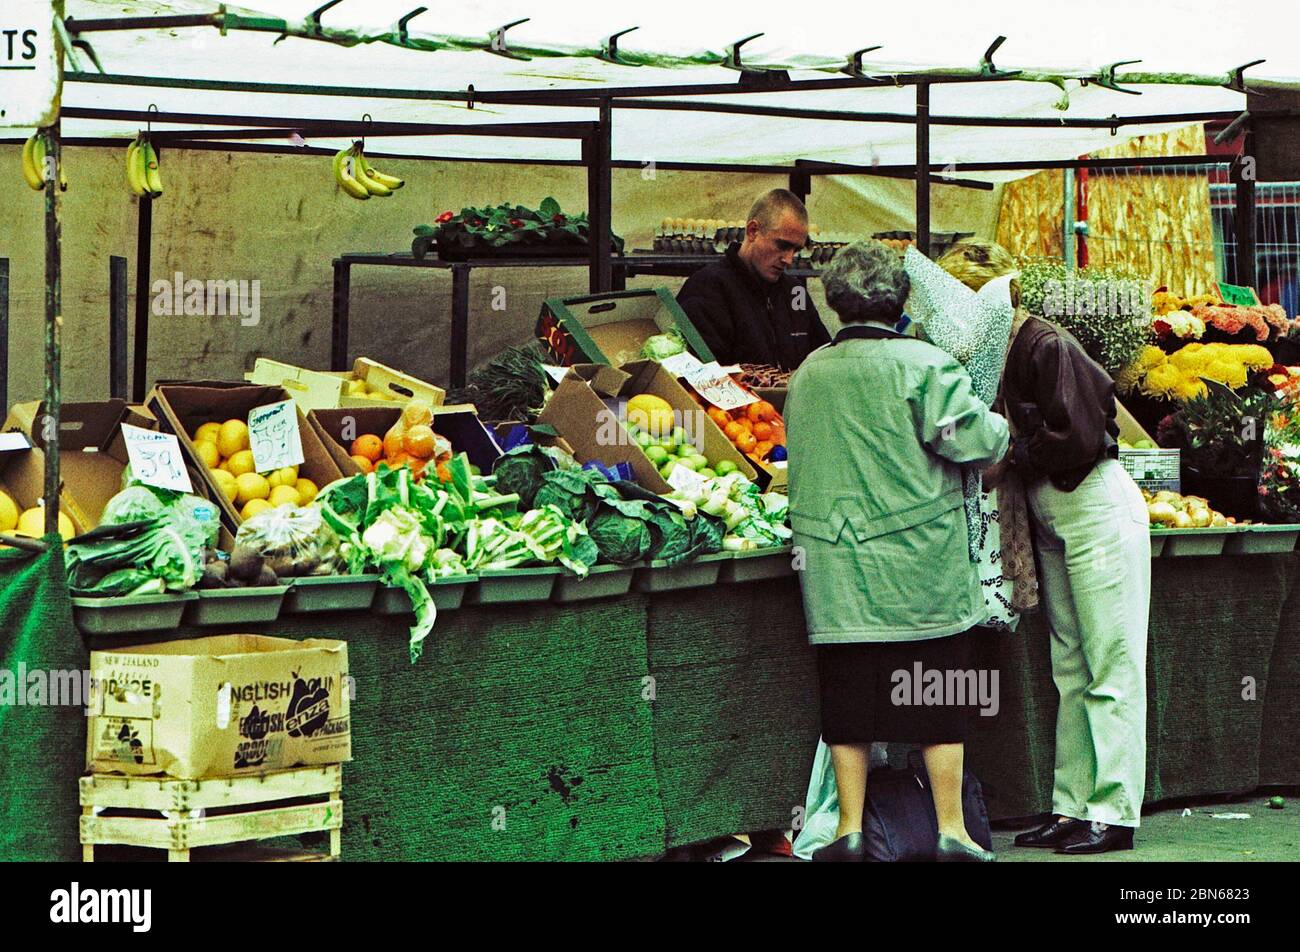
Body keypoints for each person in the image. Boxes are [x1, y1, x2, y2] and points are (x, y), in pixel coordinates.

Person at [785, 240, 1009, 862]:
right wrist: (1002, 428)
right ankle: (951, 833)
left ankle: (848, 832)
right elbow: (976, 442)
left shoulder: (809, 373)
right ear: (901, 298)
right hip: (919, 564)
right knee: (939, 693)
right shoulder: (924, 365)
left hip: (833, 565)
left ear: (833, 303)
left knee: (848, 699)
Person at [939, 240, 1150, 855]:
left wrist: (1011, 459)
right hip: (1060, 509)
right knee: (1070, 667)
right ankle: (1072, 805)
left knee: (1110, 665)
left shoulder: (1042, 343)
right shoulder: (1010, 346)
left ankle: (1113, 809)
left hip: (1092, 505)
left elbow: (1080, 435)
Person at [676, 189, 830, 369]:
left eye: (796, 250)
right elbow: (700, 375)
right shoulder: (708, 288)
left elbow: (822, 358)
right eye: (782, 245)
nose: (788, 260)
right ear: (753, 231)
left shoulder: (795, 292)